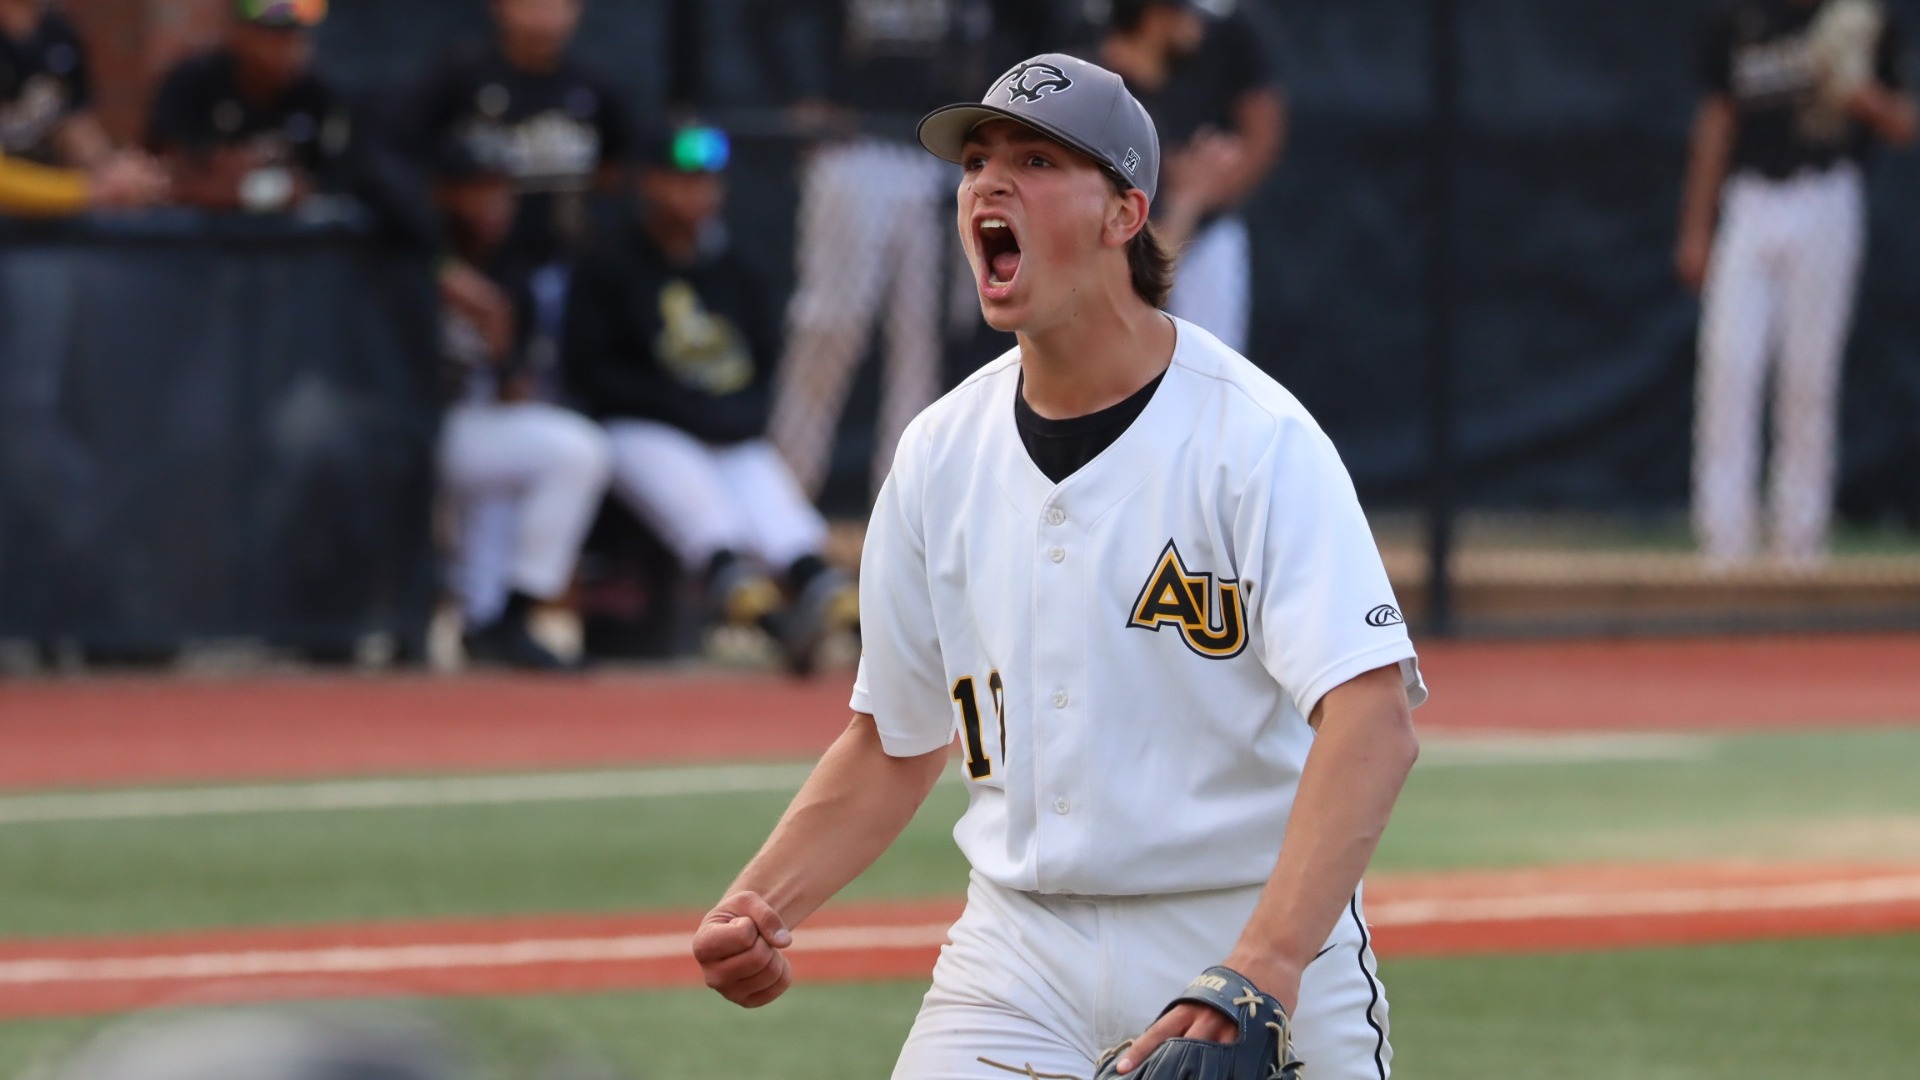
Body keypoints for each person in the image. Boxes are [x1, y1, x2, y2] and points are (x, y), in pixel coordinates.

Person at [692, 53, 1424, 1080]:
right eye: (977, 160)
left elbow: (1372, 719)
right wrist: (763, 903)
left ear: (1126, 213)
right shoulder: (941, 453)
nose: (991, 184)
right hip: (1016, 958)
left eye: (1036, 160)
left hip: (1241, 927)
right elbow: (894, 741)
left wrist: (1261, 967)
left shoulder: (1255, 439)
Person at [564, 122, 857, 674]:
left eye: (706, 182)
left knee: (788, 527)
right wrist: (683, 407)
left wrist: (731, 415)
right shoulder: (610, 262)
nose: (697, 194)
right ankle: (781, 631)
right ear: (649, 183)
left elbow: (763, 365)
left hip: (724, 432)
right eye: (681, 180)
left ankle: (864, 635)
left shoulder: (735, 268)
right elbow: (588, 370)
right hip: (641, 427)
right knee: (709, 521)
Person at [757, 0, 1063, 504]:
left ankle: (905, 512)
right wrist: (803, 91)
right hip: (856, 145)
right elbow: (772, 19)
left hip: (946, 155)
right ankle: (782, 512)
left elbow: (1032, 32)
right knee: (832, 324)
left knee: (925, 345)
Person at [1677, 0, 1916, 568]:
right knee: (1729, 365)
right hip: (1750, 201)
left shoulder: (1859, 17)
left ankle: (1799, 546)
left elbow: (1904, 122)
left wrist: (1860, 94)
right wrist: (1696, 227)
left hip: (1825, 195)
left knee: (1810, 375)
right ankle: (1723, 544)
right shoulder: (1738, 19)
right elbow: (1716, 120)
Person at [431, 140, 611, 671]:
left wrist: (501, 344)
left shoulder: (517, 265)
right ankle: (496, 617)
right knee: (567, 451)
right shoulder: (417, 251)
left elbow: (515, 382)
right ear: (445, 195)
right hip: (412, 422)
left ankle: (495, 618)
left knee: (566, 451)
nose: (490, 206)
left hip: (473, 417)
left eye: (498, 192)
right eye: (475, 191)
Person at [1091, 0, 1285, 354]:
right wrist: (1190, 196)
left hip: (1177, 254)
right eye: (1187, 15)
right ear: (1156, 17)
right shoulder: (1101, 105)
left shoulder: (1163, 93)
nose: (1197, 28)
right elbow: (1126, 281)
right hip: (1102, 313)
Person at [1, 0, 167, 213]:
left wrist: (115, 173)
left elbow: (73, 123)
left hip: (40, 221)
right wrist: (89, 190)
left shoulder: (56, 31)